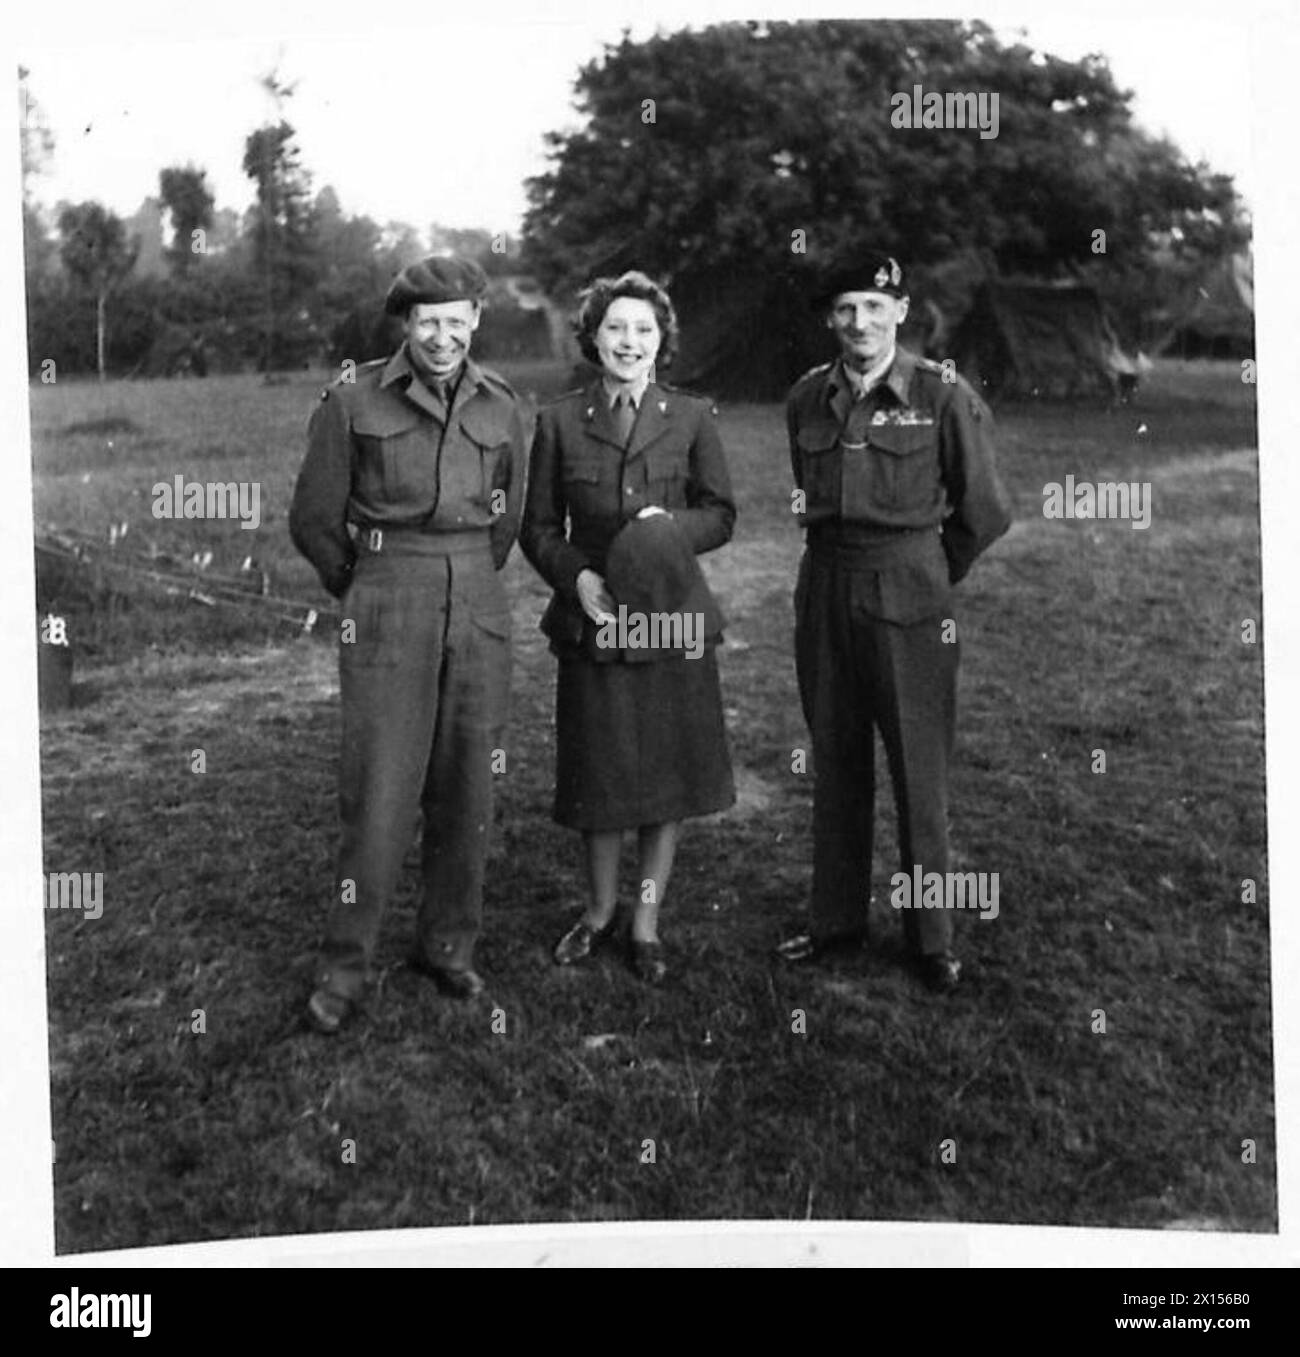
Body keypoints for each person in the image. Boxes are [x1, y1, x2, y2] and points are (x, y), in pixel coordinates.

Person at [289, 256, 529, 1033]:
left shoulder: (500, 404)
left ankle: (448, 946)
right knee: (380, 791)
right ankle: (344, 968)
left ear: (477, 321)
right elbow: (314, 518)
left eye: (459, 319)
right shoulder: (353, 396)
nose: (444, 335)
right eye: (429, 320)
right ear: (405, 323)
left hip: (477, 601)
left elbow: (506, 520)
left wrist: (464, 578)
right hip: (389, 593)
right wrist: (365, 588)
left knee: (469, 783)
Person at [775, 254, 1012, 992]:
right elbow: (806, 489)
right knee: (837, 758)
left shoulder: (942, 394)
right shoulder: (808, 398)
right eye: (846, 309)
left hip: (910, 588)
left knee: (919, 769)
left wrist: (930, 572)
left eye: (876, 308)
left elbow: (985, 511)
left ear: (901, 312)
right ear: (830, 320)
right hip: (827, 586)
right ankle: (837, 922)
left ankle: (930, 937)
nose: (860, 323)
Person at [520, 270, 736, 985]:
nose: (629, 341)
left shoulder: (693, 415)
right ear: (594, 336)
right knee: (602, 768)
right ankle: (597, 911)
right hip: (599, 619)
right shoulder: (557, 420)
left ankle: (646, 922)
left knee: (666, 772)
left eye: (644, 330)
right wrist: (574, 576)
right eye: (616, 327)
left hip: (671, 616)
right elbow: (539, 526)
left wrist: (664, 530)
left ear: (661, 341)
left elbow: (721, 512)